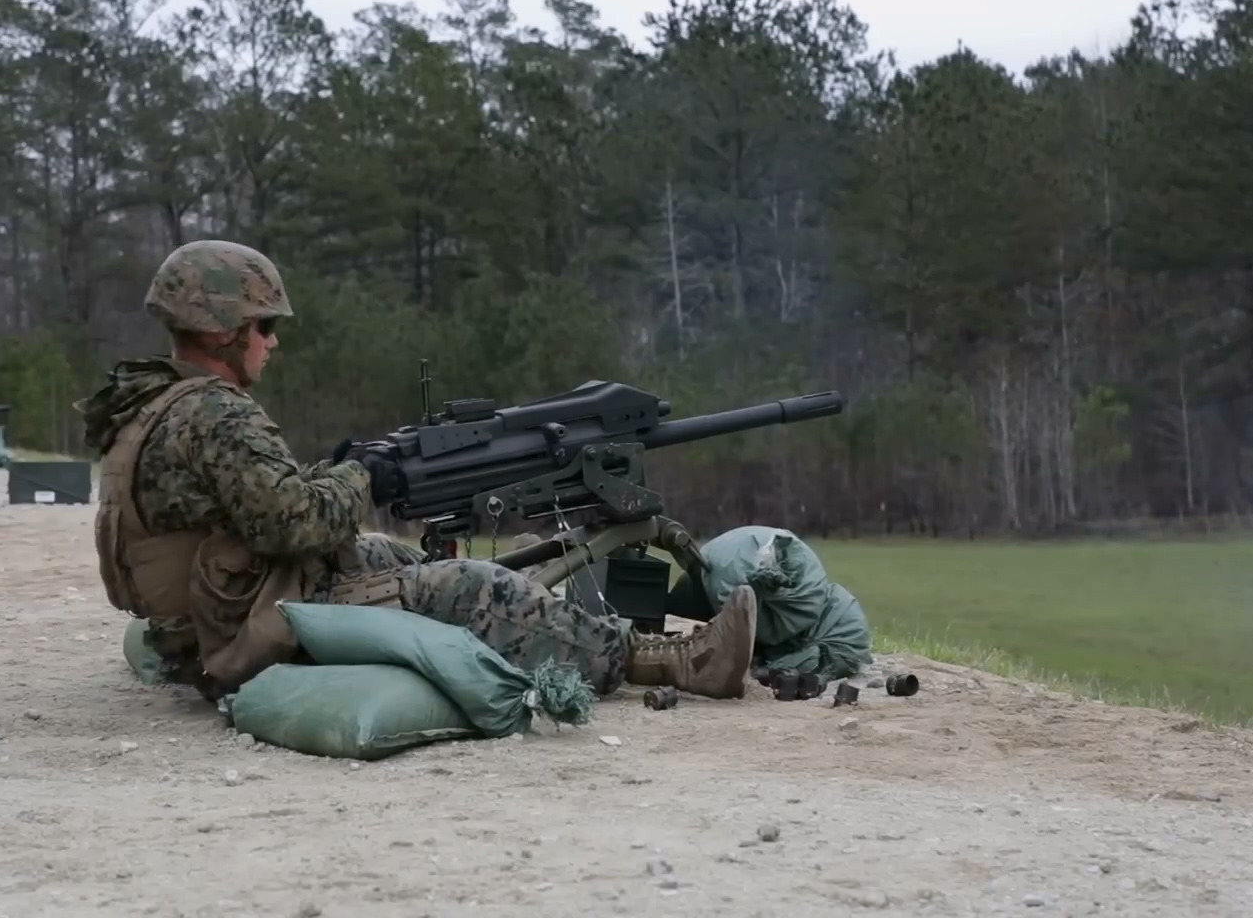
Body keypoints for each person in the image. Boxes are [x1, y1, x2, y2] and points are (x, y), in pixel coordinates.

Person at [77, 239, 757, 703]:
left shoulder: (148, 403)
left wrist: (336, 475)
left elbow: (242, 509)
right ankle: (673, 662)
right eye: (263, 326)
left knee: (382, 555)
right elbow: (296, 522)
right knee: (469, 587)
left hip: (197, 622)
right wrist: (362, 477)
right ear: (224, 328)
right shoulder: (216, 415)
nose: (272, 341)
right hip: (234, 635)